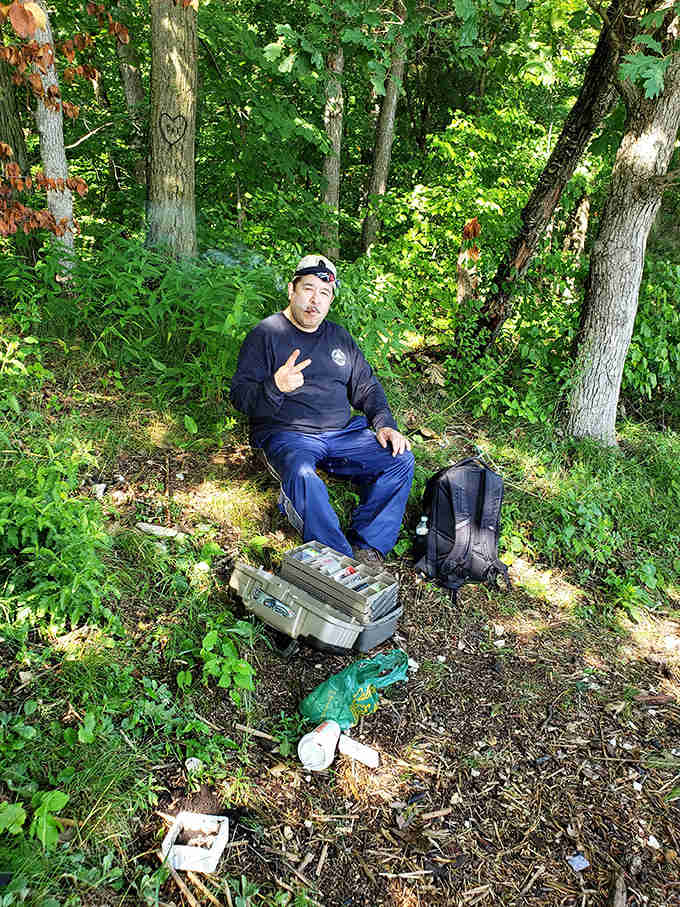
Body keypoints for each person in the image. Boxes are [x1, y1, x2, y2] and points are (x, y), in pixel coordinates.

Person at [229, 254, 414, 563]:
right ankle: (339, 561)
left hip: (343, 434)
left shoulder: (339, 337)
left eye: (324, 293)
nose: (314, 300)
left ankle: (368, 548)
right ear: (292, 290)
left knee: (400, 458)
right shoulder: (266, 334)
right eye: (308, 289)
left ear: (331, 300)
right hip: (288, 434)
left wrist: (384, 423)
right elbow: (240, 396)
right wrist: (274, 386)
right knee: (303, 476)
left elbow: (366, 386)